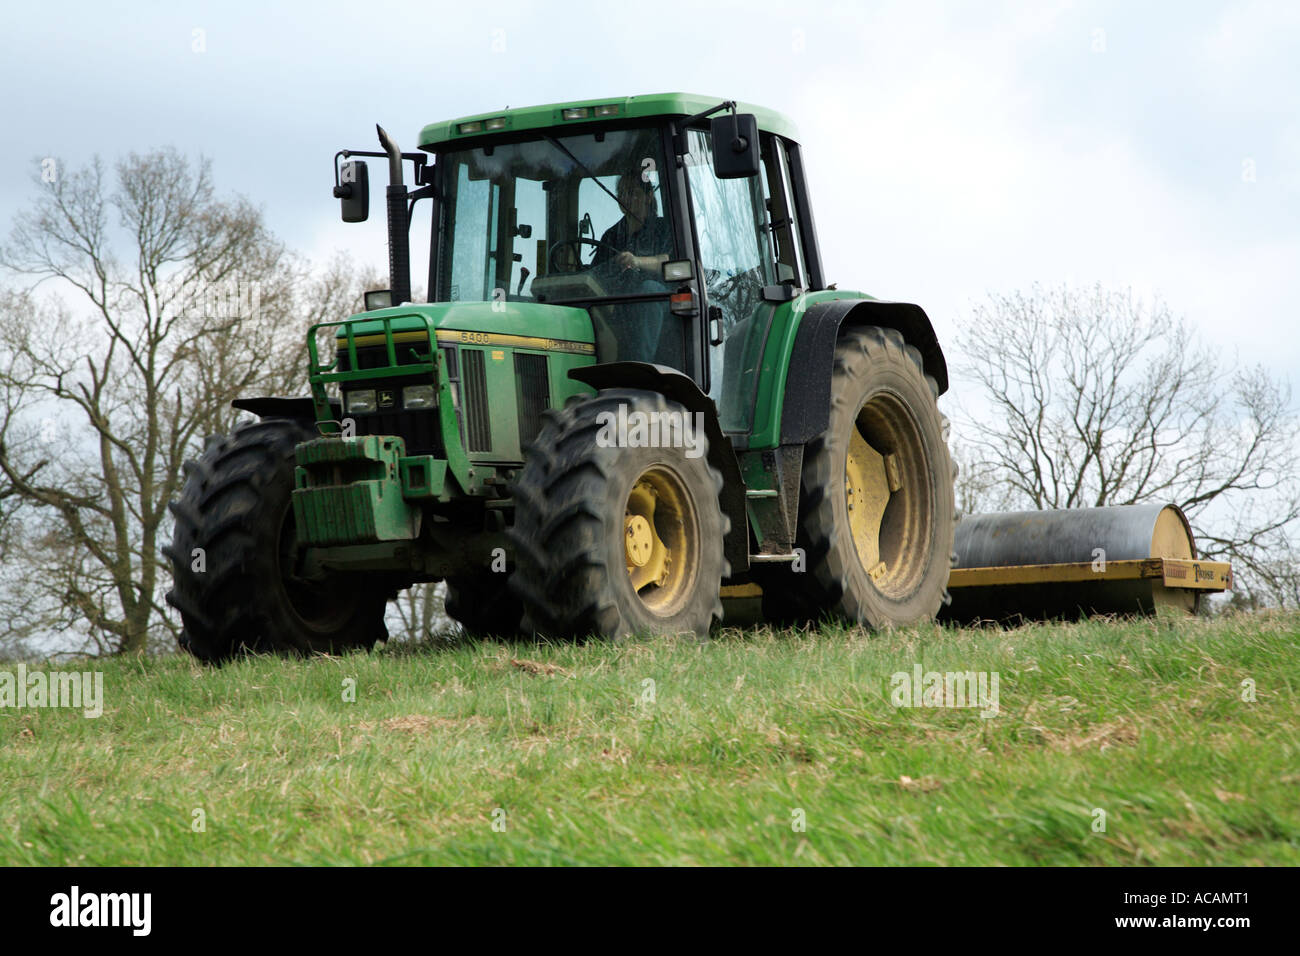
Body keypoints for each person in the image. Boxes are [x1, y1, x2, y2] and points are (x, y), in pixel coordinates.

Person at [591, 174, 673, 278]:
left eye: (631, 192)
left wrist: (636, 261)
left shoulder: (664, 228)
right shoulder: (610, 236)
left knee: (649, 286)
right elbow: (595, 274)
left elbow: (669, 261)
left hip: (656, 292)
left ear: (649, 196)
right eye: (621, 193)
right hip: (617, 292)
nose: (624, 198)